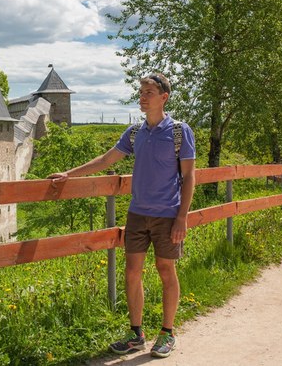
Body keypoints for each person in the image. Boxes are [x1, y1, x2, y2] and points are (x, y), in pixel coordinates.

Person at [48, 73, 195, 358]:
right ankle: (136, 334)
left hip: (168, 215)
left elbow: (189, 176)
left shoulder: (179, 131)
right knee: (131, 272)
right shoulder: (134, 132)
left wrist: (182, 217)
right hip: (137, 213)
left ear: (164, 97)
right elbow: (106, 160)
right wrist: (69, 174)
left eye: (149, 92)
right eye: (141, 92)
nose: (142, 97)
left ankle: (167, 333)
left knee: (166, 270)